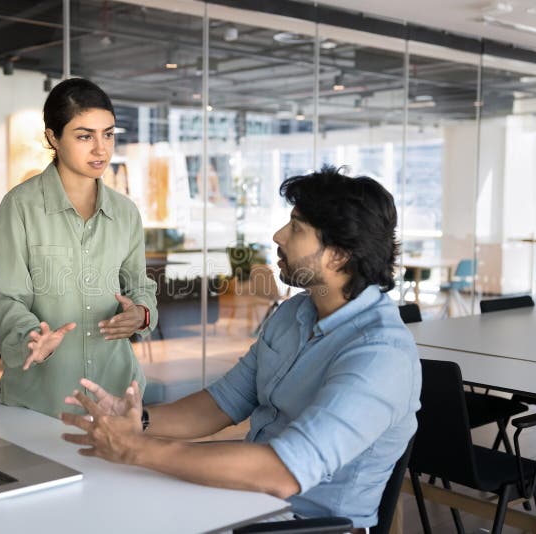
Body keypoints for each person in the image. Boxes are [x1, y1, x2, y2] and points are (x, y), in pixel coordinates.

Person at [60, 166, 421, 530]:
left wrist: (136, 449)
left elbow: (283, 472)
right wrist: (138, 421)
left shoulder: (380, 355)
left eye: (296, 228)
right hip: (247, 502)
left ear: (338, 256)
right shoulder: (296, 312)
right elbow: (223, 401)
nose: (278, 235)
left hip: (303, 523)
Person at [0, 78, 157, 418]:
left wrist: (139, 314)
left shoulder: (126, 212)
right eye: (84, 136)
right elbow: (6, 297)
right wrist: (32, 337)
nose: (101, 149)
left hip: (116, 397)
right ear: (53, 137)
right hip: (40, 401)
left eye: (108, 134)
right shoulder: (19, 207)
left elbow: (140, 286)